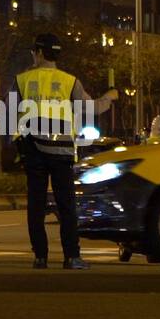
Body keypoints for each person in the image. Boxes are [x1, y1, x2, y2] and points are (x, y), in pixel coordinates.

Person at [13, 34, 118, 270]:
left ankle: (40, 257)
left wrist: (19, 145)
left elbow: (10, 116)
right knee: (66, 206)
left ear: (39, 53)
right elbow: (92, 108)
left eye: (34, 52)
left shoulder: (22, 80)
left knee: (36, 205)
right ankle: (72, 257)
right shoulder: (70, 82)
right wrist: (109, 97)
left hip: (33, 151)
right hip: (61, 152)